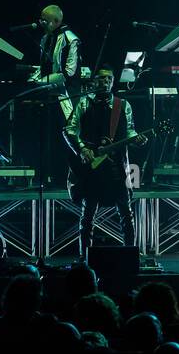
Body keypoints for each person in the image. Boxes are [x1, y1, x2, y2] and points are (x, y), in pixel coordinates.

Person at [63, 68, 147, 257]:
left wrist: (136, 139)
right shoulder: (84, 102)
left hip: (116, 167)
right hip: (92, 170)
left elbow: (130, 130)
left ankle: (130, 256)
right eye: (101, 78)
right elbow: (69, 129)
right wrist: (82, 149)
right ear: (94, 81)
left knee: (126, 215)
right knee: (87, 217)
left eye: (109, 78)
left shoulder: (122, 105)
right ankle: (85, 259)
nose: (105, 82)